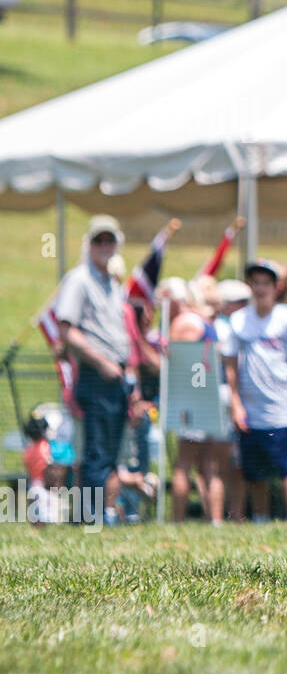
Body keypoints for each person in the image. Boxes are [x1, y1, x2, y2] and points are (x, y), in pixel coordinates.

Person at [55, 215, 140, 526]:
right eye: (98, 241)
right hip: (96, 375)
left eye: (109, 241)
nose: (105, 246)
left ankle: (94, 515)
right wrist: (101, 362)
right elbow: (67, 329)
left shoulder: (109, 282)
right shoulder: (80, 279)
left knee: (108, 454)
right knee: (95, 453)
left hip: (115, 376)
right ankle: (86, 518)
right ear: (89, 245)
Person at [221, 259, 287, 523]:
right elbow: (230, 364)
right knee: (256, 472)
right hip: (250, 408)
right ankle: (260, 519)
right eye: (255, 283)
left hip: (280, 407)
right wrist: (236, 404)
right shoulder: (238, 320)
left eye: (265, 283)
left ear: (276, 287)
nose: (260, 288)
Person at [161, 277, 229, 524]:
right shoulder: (206, 321)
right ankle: (216, 521)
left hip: (195, 397)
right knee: (209, 465)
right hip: (209, 393)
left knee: (183, 463)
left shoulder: (186, 322)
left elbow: (180, 361)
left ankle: (178, 521)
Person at [214, 279, 251, 521]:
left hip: (236, 398)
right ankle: (228, 515)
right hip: (227, 399)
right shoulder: (225, 327)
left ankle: (234, 515)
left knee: (234, 464)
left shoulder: (232, 324)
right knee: (224, 463)